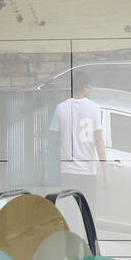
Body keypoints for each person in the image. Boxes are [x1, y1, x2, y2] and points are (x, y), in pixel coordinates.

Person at [49, 73, 109, 214]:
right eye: (90, 88)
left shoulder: (60, 108)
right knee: (87, 211)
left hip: (66, 171)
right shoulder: (94, 108)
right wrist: (105, 172)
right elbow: (98, 141)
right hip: (87, 171)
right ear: (84, 87)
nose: (90, 92)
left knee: (68, 210)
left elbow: (52, 138)